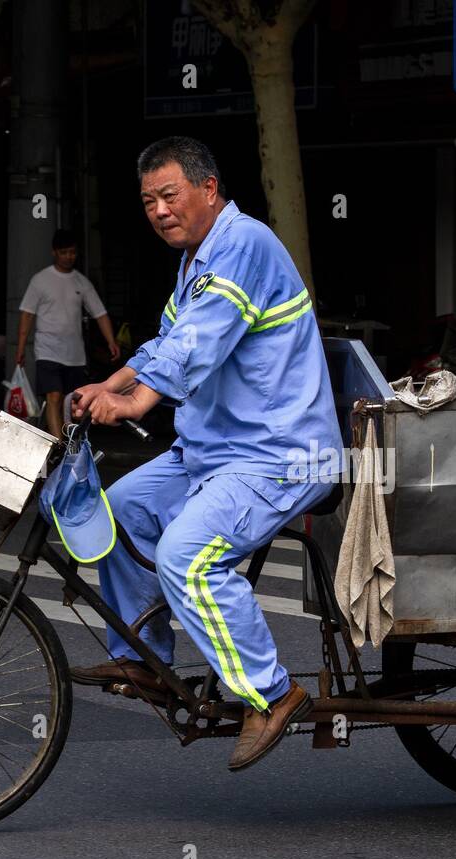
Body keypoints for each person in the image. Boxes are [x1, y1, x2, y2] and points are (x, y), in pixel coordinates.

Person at [69, 136, 341, 771]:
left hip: (277, 456)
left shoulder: (242, 244)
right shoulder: (197, 259)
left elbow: (197, 343)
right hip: (211, 452)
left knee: (187, 557)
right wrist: (110, 384)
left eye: (170, 195)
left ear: (209, 189)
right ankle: (144, 659)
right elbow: (168, 339)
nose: (160, 210)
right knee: (119, 513)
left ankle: (271, 695)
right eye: (148, 202)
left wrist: (136, 404)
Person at [16, 229, 119, 438]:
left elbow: (99, 313)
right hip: (47, 350)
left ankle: (70, 440)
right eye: (64, 252)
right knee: (53, 396)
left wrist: (111, 341)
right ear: (55, 253)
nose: (68, 257)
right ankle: (59, 444)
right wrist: (20, 349)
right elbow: (27, 316)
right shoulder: (40, 280)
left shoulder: (81, 282)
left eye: (72, 252)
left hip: (74, 354)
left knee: (73, 403)